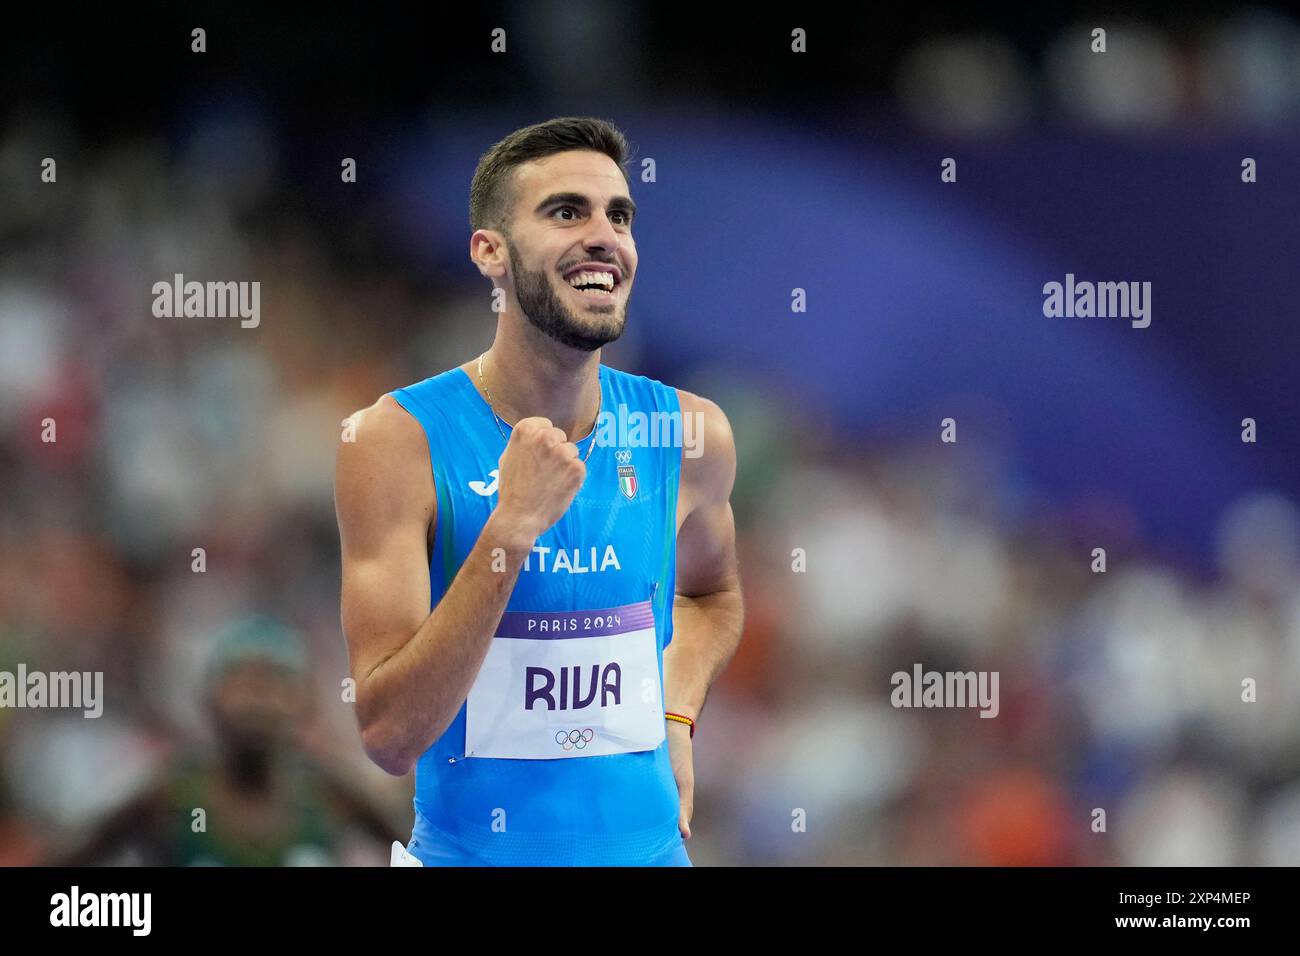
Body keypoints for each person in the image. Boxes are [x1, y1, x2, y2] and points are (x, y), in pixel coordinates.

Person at [334, 117, 745, 866]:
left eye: (619, 216)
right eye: (567, 212)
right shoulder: (396, 442)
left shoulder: (689, 433)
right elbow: (389, 736)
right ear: (490, 252)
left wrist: (678, 715)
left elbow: (710, 598)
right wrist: (509, 530)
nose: (604, 236)